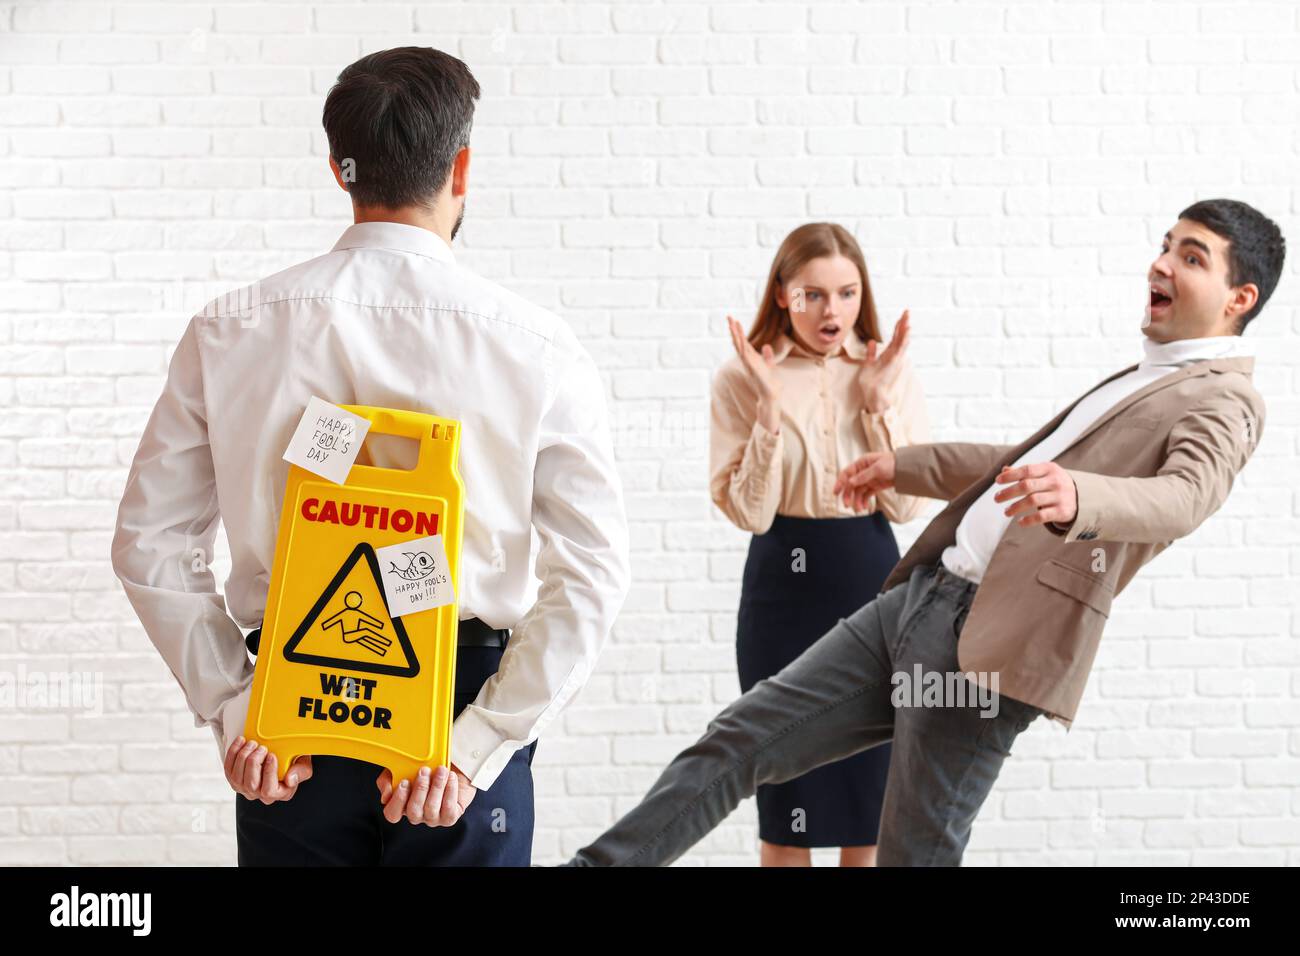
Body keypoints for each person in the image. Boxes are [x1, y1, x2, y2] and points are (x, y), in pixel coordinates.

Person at [563, 198, 1283, 867]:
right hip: (917, 602)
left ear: (1238, 298)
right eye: (1165, 246)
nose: (1161, 263)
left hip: (986, 646)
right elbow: (1014, 467)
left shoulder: (1225, 397)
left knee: (910, 848)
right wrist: (900, 465)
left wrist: (1079, 496)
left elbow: (1187, 496)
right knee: (737, 741)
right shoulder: (1141, 375)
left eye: (1191, 257)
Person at [110, 47, 631, 866]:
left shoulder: (230, 330)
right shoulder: (537, 348)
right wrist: (478, 743)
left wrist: (238, 704)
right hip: (457, 723)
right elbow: (592, 573)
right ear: (461, 167)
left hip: (293, 721)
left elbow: (149, 541)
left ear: (338, 169)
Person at [711, 223, 929, 866]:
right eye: (813, 295)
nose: (832, 311)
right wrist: (769, 409)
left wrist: (877, 406)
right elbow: (750, 513)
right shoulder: (742, 376)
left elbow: (908, 505)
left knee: (869, 803)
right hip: (783, 590)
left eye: (847, 293)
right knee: (787, 801)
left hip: (871, 582)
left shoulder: (886, 371)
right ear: (782, 294)